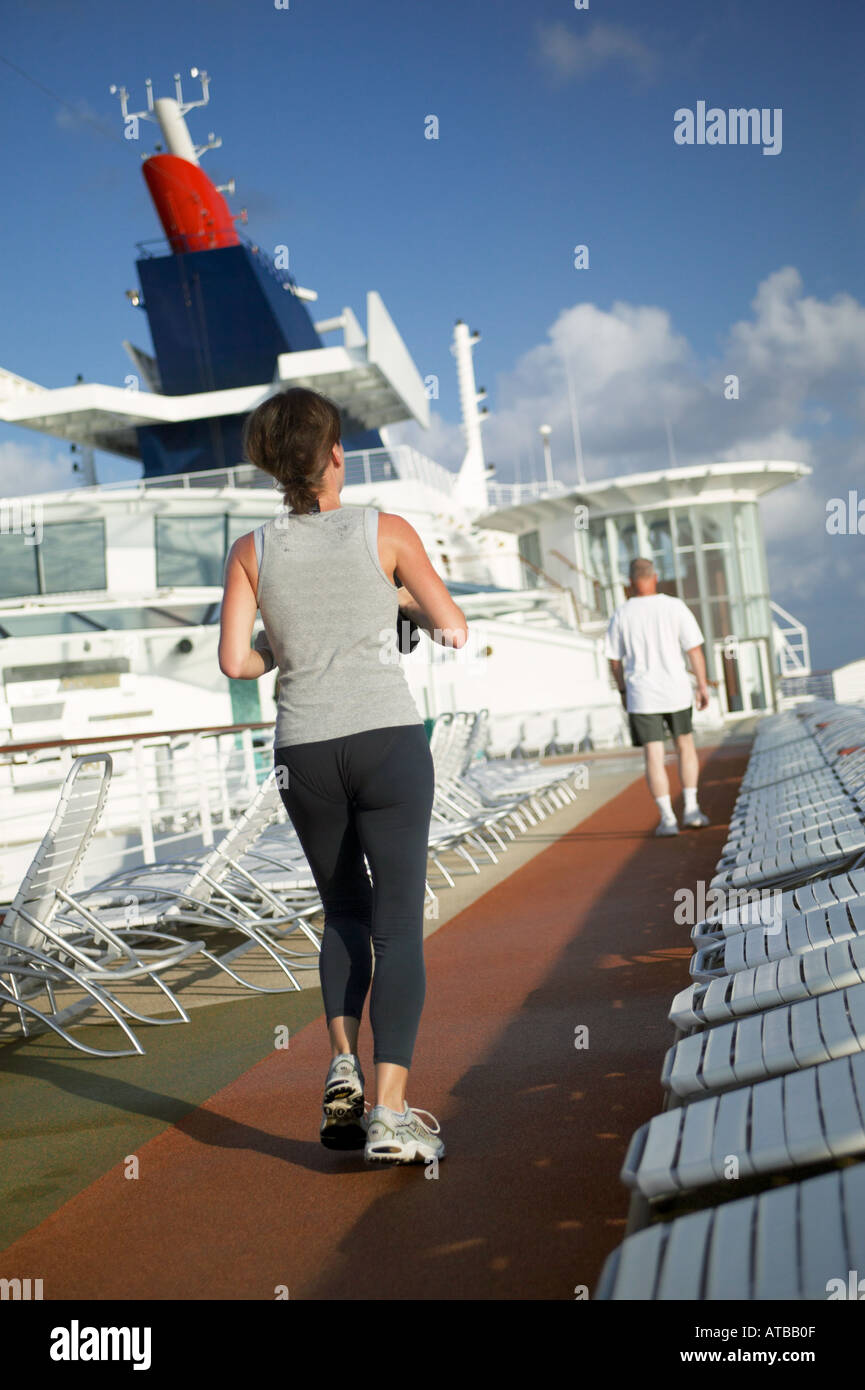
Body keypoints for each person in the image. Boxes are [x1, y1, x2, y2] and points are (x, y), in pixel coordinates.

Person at [218, 386, 468, 1164]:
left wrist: (285, 649)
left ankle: (340, 1068)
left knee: (343, 913)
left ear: (271, 465)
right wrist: (398, 599)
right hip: (387, 741)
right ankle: (390, 1114)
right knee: (397, 926)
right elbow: (453, 627)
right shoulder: (386, 531)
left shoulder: (252, 550)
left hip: (304, 751)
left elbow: (236, 661)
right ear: (334, 455)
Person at [605, 557, 711, 837]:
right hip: (676, 688)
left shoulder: (621, 613)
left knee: (654, 754)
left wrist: (623, 691)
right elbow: (694, 650)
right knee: (685, 745)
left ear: (630, 582)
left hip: (642, 693)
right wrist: (702, 685)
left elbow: (614, 661)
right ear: (656, 577)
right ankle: (691, 808)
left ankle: (667, 818)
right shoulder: (674, 606)